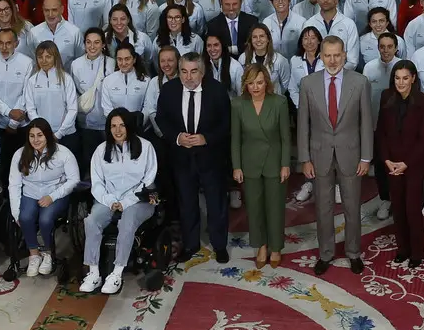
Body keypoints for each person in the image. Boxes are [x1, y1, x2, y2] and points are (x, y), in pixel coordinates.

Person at [297, 35, 373, 274]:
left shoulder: (360, 82)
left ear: (344, 56)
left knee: (352, 206)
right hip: (319, 156)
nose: (332, 60)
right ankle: (326, 254)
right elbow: (303, 124)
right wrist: (305, 158)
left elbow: (366, 122)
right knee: (323, 208)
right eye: (328, 56)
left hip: (351, 155)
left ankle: (353, 252)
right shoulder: (307, 83)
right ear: (321, 56)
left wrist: (366, 157)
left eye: (336, 55)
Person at [156, 52, 233, 263]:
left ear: (202, 71)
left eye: (193, 72)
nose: (188, 77)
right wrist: (177, 137)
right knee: (187, 203)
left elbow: (226, 123)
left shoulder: (217, 90)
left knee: (216, 203)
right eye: (184, 72)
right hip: (182, 158)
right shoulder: (169, 90)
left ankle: (219, 245)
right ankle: (191, 244)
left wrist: (206, 138)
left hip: (211, 158)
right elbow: (161, 118)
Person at [78, 109, 159, 294]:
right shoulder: (101, 150)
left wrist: (126, 201)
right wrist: (110, 200)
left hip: (138, 200)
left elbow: (149, 180)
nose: (118, 130)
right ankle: (93, 272)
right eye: (113, 126)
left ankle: (116, 273)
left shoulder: (146, 147)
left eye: (122, 125)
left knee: (127, 222)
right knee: (91, 221)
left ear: (129, 126)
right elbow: (97, 182)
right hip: (109, 199)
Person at [232, 63, 292, 268]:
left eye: (259, 82)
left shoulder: (279, 102)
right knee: (255, 209)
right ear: (245, 85)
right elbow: (235, 139)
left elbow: (286, 138)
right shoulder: (237, 105)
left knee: (275, 208)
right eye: (251, 83)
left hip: (275, 163)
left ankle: (276, 247)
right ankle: (262, 246)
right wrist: (237, 166)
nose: (255, 87)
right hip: (250, 165)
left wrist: (285, 164)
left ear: (266, 82)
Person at [375, 59, 424, 265]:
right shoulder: (386, 97)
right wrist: (386, 159)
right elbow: (381, 132)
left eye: (405, 78)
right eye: (397, 78)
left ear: (413, 79)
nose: (400, 82)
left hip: (413, 164)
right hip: (391, 163)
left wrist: (406, 163)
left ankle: (417, 252)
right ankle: (403, 248)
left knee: (412, 208)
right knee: (398, 208)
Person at [10, 118, 79, 278]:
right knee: (25, 217)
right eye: (32, 136)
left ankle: (48, 253)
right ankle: (34, 254)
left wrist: (52, 196)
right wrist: (15, 212)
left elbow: (74, 180)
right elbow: (14, 184)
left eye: (40, 135)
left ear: (47, 135)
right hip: (30, 193)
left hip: (56, 193)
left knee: (45, 219)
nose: (36, 140)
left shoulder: (63, 153)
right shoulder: (20, 154)